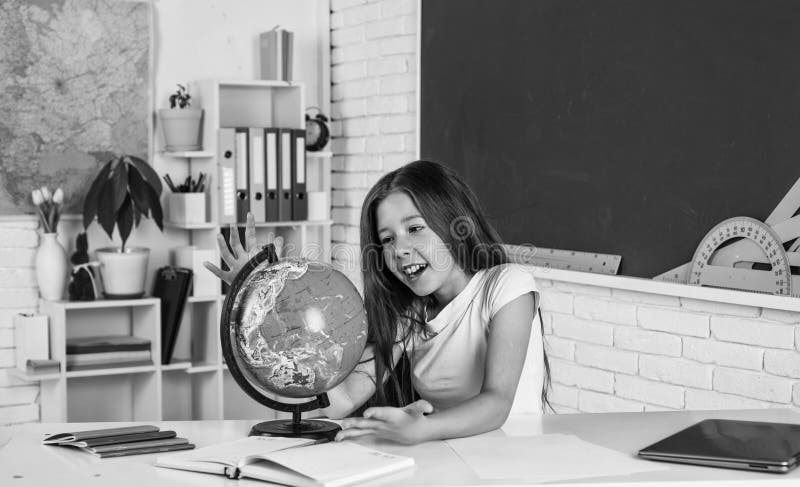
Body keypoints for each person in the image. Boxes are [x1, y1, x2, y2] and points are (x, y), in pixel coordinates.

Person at [205, 160, 550, 445]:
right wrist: (264, 296)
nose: (399, 250)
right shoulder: (408, 314)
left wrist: (422, 429)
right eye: (387, 239)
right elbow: (340, 402)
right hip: (448, 462)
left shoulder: (507, 285)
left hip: (513, 463)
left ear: (454, 223)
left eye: (415, 229)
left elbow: (497, 403)